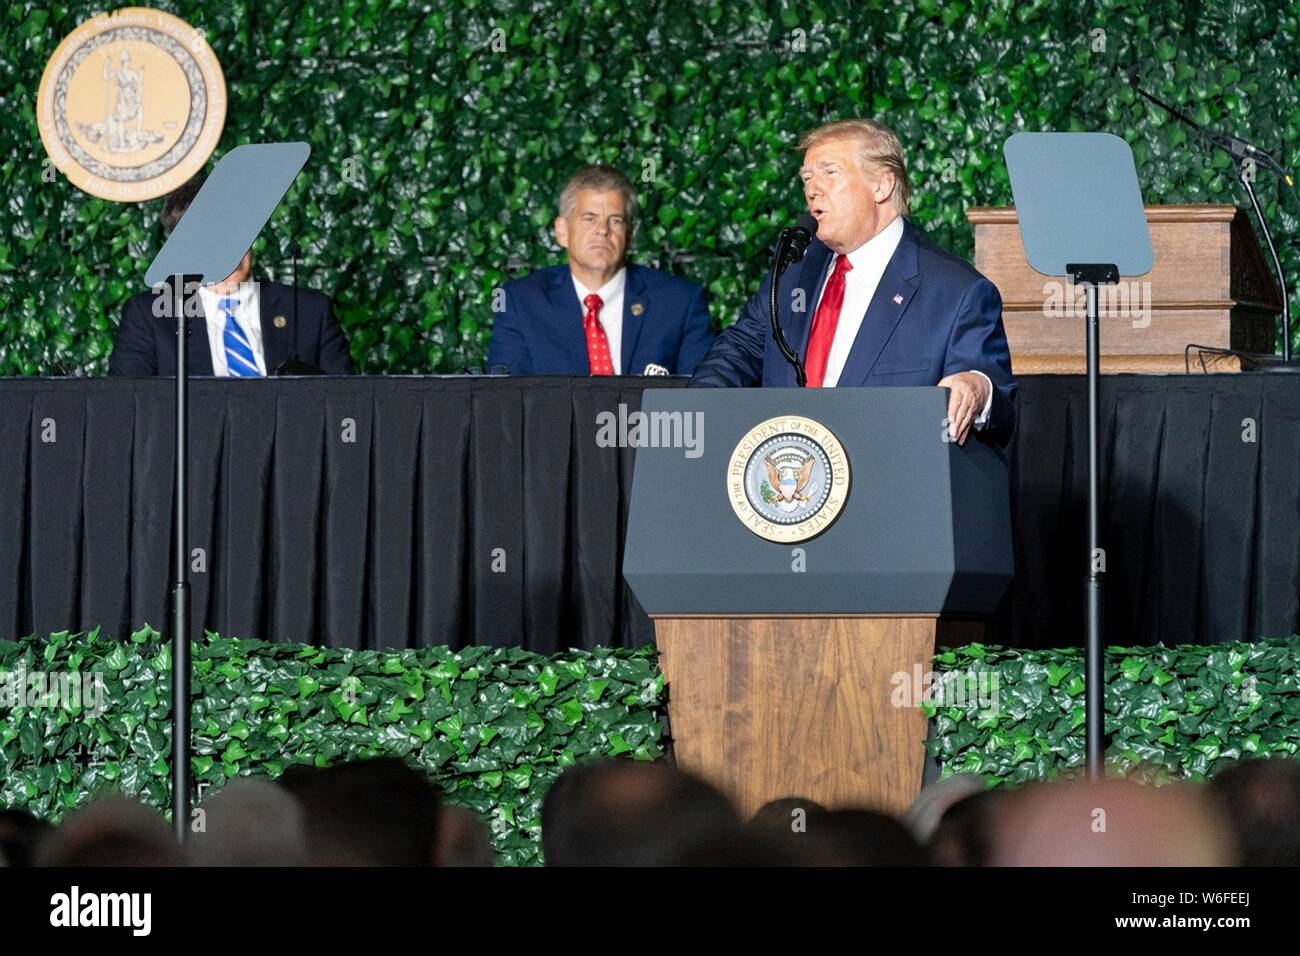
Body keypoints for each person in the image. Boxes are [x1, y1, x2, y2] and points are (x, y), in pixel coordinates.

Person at [689, 118, 1017, 446]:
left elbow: (998, 405)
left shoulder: (956, 291)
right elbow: (739, 350)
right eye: (807, 178)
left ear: (882, 186)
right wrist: (696, 412)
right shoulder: (793, 269)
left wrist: (977, 388)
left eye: (830, 173)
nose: (812, 189)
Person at [108, 175, 354, 376]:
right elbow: (131, 410)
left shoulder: (311, 311)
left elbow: (344, 401)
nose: (225, 250)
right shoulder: (150, 316)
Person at [486, 164, 714, 376]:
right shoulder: (521, 302)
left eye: (615, 220)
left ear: (630, 235)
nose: (602, 230)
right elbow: (506, 404)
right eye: (589, 218)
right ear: (562, 231)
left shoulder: (680, 302)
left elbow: (702, 402)